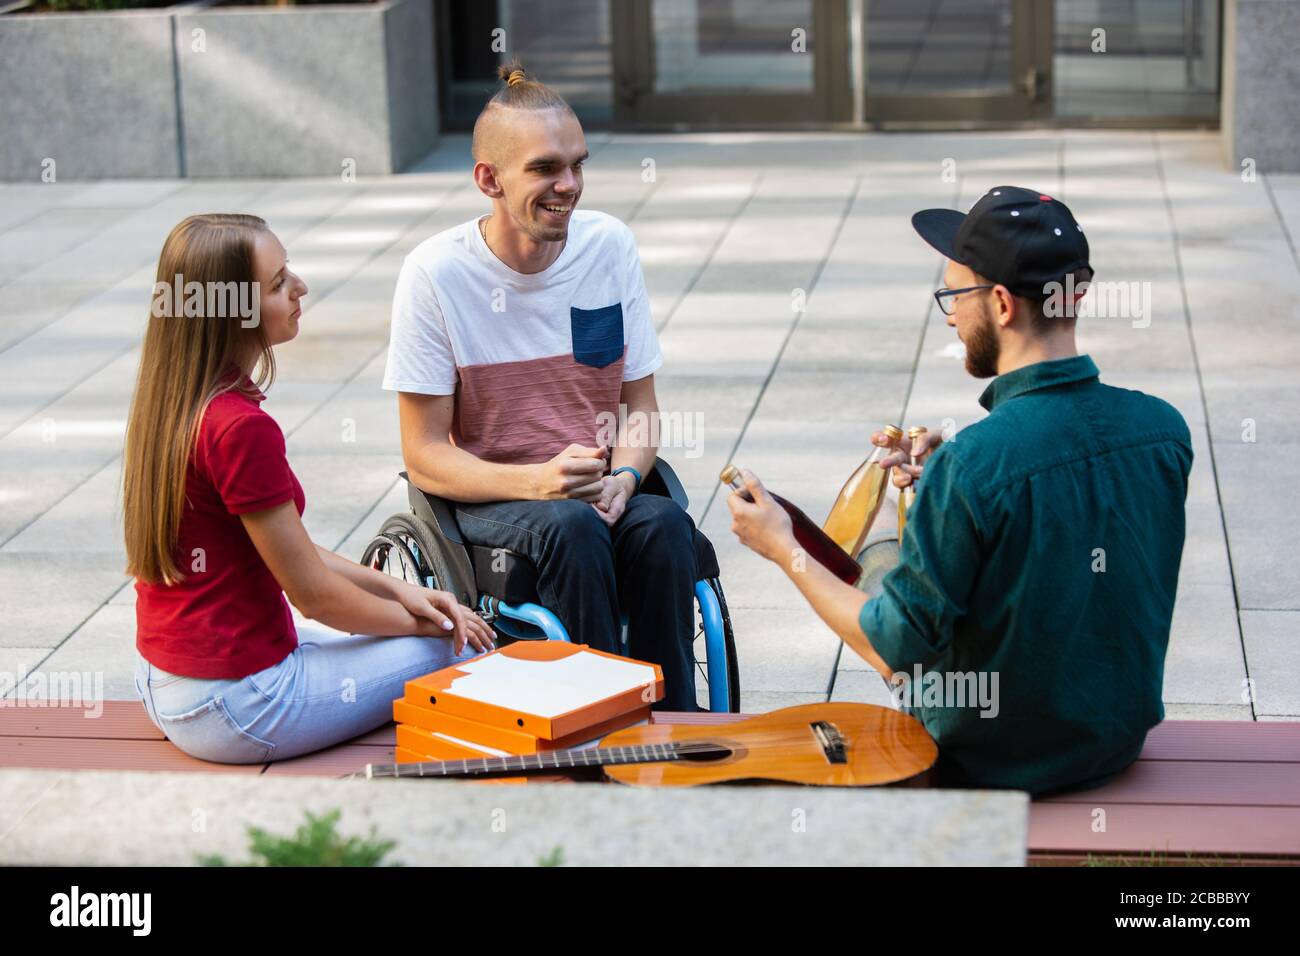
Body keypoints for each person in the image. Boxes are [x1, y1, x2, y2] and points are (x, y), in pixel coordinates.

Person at [727, 186, 1193, 795]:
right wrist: (951, 493)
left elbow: (899, 650)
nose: (950, 315)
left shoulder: (976, 464)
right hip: (1114, 739)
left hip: (993, 759)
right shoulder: (1163, 429)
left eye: (955, 295)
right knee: (901, 563)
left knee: (874, 570)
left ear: (1000, 304)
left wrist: (783, 548)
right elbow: (1072, 528)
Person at [383, 63, 716, 711]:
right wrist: (536, 482)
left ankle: (674, 717)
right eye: (544, 169)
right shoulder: (435, 274)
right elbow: (423, 455)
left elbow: (640, 408)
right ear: (489, 179)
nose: (569, 186)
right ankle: (600, 719)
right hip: (492, 498)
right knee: (569, 525)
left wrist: (624, 478)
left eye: (577, 165)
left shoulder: (608, 246)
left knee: (662, 522)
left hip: (595, 492)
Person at [124, 213, 495, 764]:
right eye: (277, 283)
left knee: (400, 633)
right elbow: (314, 597)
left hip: (164, 679)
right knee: (458, 651)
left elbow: (288, 551)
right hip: (236, 705)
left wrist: (400, 592)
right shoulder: (238, 427)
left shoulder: (174, 401)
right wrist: (436, 625)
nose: (300, 287)